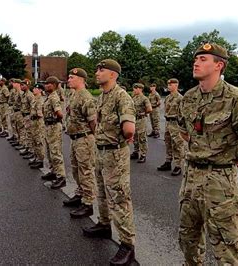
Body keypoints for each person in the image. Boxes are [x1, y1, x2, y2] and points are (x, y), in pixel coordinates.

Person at [178, 43, 238, 265]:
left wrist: (234, 153)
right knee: (188, 242)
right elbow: (186, 133)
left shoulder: (237, 98)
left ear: (219, 65)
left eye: (203, 59)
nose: (196, 62)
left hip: (220, 183)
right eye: (196, 58)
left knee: (228, 250)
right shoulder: (189, 98)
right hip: (191, 179)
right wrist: (207, 148)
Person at [82, 59, 137, 265]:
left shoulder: (121, 96)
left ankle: (127, 245)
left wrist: (126, 134)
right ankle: (104, 224)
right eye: (96, 69)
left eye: (101, 70)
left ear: (113, 74)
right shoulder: (103, 96)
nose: (97, 72)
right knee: (103, 192)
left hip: (115, 154)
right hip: (101, 151)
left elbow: (129, 128)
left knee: (120, 198)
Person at [64, 68, 97, 219]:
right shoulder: (73, 95)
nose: (68, 80)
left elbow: (93, 123)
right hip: (75, 138)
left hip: (84, 138)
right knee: (76, 169)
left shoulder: (86, 97)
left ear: (81, 79)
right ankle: (80, 194)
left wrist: (92, 139)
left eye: (71, 77)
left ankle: (88, 203)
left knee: (86, 171)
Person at [41, 76, 67, 189]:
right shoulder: (49, 97)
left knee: (55, 152)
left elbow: (60, 113)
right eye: (45, 84)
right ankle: (53, 172)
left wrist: (55, 118)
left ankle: (61, 177)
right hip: (48, 127)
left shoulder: (54, 97)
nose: (46, 85)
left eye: (48, 84)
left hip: (54, 126)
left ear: (54, 85)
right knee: (49, 151)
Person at [157, 78, 185, 176]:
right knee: (168, 143)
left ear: (176, 85)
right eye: (168, 85)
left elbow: (183, 114)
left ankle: (178, 165)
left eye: (170, 85)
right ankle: (168, 161)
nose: (168, 86)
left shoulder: (180, 98)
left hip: (176, 124)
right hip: (168, 123)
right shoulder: (168, 98)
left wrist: (182, 128)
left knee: (177, 145)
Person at [130, 83, 152, 163]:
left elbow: (149, 109)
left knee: (142, 137)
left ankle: (143, 154)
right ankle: (136, 151)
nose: (134, 90)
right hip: (134, 119)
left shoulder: (144, 98)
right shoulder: (133, 97)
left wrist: (143, 113)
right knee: (135, 136)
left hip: (141, 120)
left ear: (140, 89)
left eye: (136, 88)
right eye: (134, 88)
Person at [28, 83, 46, 169]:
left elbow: (40, 114)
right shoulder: (35, 99)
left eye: (36, 88)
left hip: (38, 123)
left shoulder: (40, 100)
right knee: (34, 140)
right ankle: (36, 157)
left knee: (39, 141)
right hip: (33, 122)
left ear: (40, 90)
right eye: (34, 88)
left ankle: (40, 160)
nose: (34, 89)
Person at [18, 79, 35, 157]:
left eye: (23, 85)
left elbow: (33, 106)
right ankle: (28, 148)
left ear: (27, 86)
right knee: (26, 133)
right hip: (24, 115)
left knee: (29, 134)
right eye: (21, 85)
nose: (21, 86)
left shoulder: (29, 95)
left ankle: (31, 151)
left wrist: (31, 117)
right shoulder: (24, 94)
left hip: (28, 116)